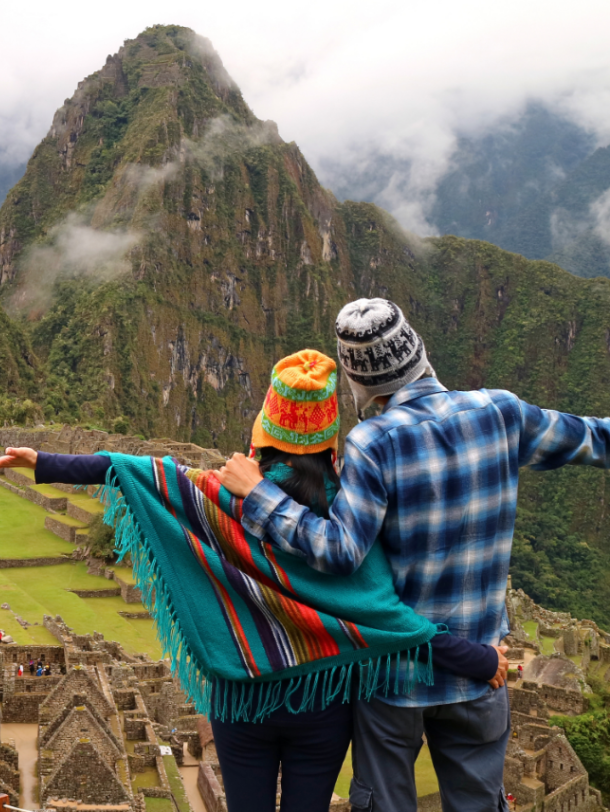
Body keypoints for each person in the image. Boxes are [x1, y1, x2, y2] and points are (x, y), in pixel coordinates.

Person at [0, 349, 504, 812]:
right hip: (321, 703)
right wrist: (479, 660)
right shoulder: (347, 515)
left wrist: (44, 461)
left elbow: (142, 472)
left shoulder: (216, 498)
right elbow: (388, 619)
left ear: (262, 436)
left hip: (239, 699)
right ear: (330, 446)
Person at [215, 299, 610, 812]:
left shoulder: (373, 443)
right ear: (421, 353)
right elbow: (597, 439)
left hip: (394, 681)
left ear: (359, 385)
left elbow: (339, 552)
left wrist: (259, 495)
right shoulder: (501, 411)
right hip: (479, 671)